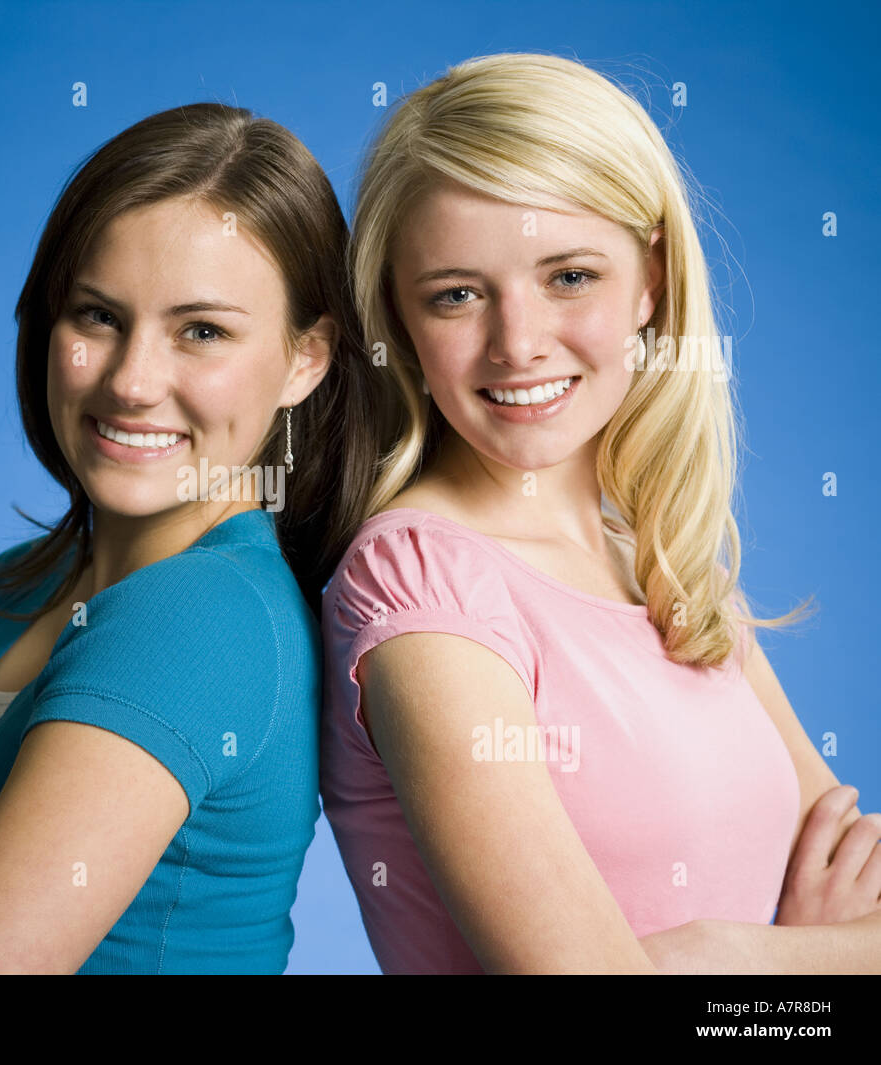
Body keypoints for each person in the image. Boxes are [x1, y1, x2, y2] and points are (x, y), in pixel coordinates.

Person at [0, 101, 383, 974]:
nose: (133, 380)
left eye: (203, 331)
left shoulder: (201, 616)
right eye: (98, 316)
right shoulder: (4, 594)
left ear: (307, 358)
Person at [322, 52, 881, 974]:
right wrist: (790, 957)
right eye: (457, 294)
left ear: (651, 278)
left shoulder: (657, 552)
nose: (520, 342)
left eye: (571, 276)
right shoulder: (419, 581)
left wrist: (725, 961)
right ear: (399, 319)